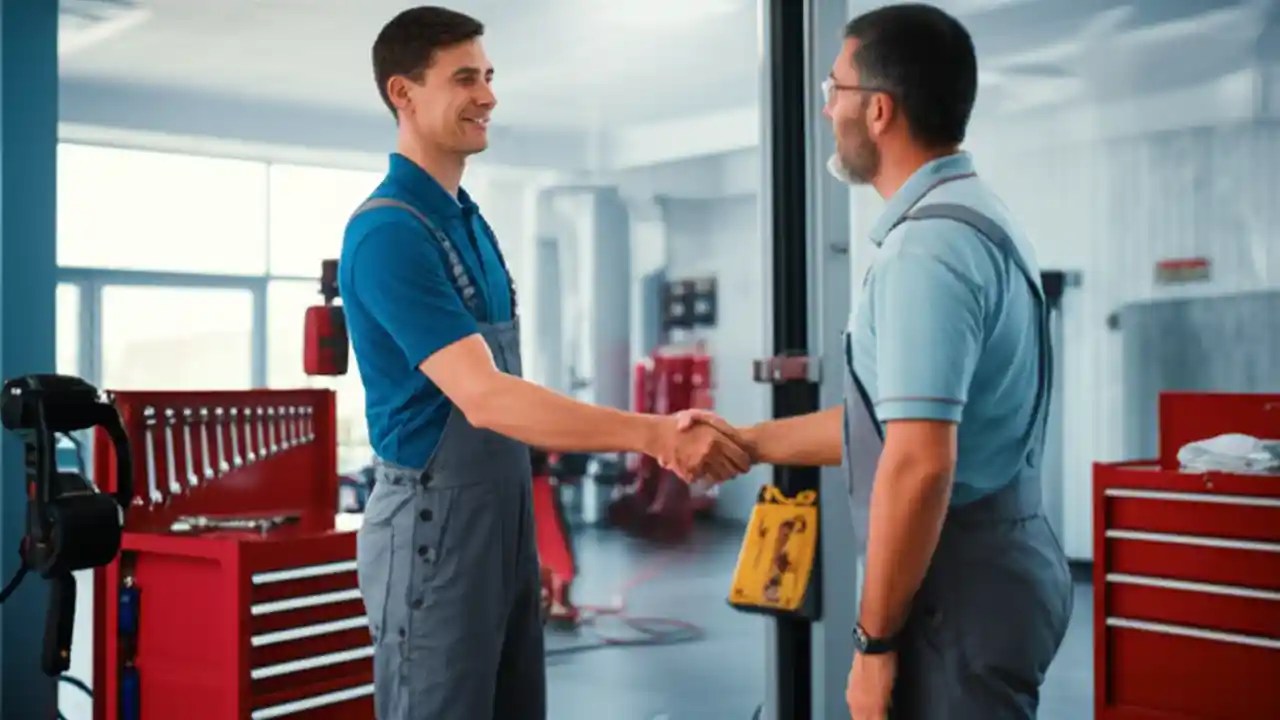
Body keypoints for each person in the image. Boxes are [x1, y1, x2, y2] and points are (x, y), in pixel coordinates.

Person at [340, 7, 750, 720]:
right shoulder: (387, 233)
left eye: (489, 76)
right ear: (402, 93)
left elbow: (504, 389)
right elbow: (487, 398)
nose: (489, 96)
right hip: (435, 528)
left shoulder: (468, 221)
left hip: (500, 515)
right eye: (465, 78)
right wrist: (654, 435)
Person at [681, 5, 1073, 719]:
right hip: (1000, 560)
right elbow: (887, 426)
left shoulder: (926, 251)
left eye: (835, 90)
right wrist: (747, 441)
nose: (828, 110)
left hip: (955, 589)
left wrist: (873, 645)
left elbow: (920, 464)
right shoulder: (977, 216)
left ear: (880, 111)